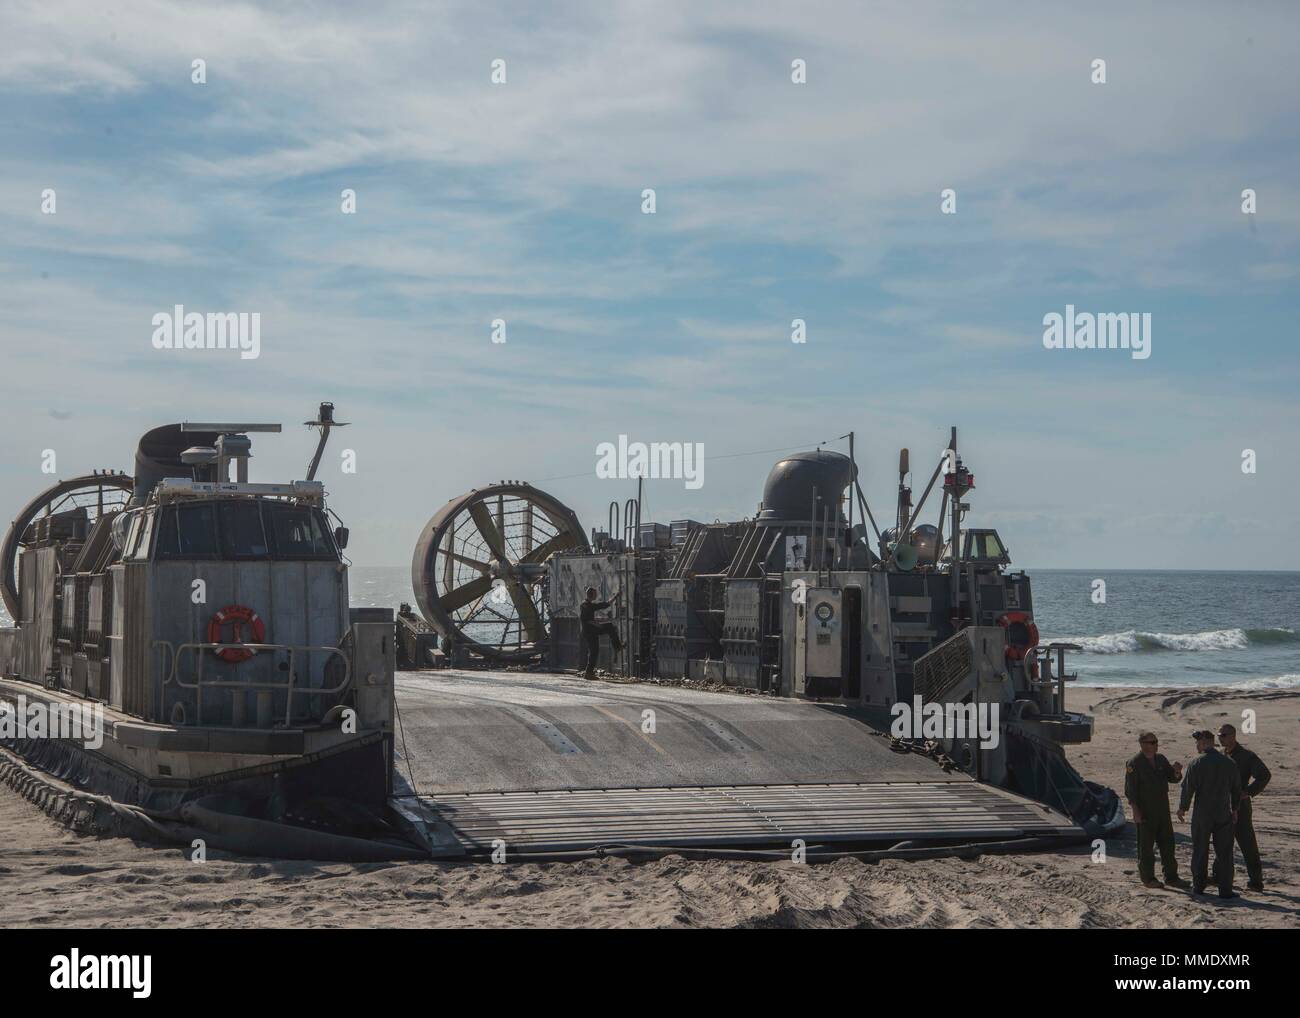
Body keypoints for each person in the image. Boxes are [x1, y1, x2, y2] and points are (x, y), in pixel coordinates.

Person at [1177, 729, 1242, 899]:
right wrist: (1235, 809)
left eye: (1198, 742)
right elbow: (1236, 789)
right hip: (1223, 813)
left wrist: (1183, 808)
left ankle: (1198, 887)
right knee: (1225, 852)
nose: (1196, 745)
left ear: (1205, 742)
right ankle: (1225, 889)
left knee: (1200, 850)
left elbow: (1188, 788)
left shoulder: (1196, 763)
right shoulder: (1229, 763)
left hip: (1202, 814)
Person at [1124, 732, 1187, 889]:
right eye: (1152, 742)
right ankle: (1148, 878)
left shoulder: (1161, 759)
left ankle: (1171, 877)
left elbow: (1172, 778)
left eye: (1156, 742)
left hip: (1162, 809)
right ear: (1142, 744)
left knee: (1168, 844)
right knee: (1146, 847)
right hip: (1145, 810)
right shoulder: (1134, 763)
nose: (1155, 745)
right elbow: (1131, 790)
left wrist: (1177, 771)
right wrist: (1135, 811)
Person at [1218, 723, 1270, 892]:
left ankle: (1256, 881)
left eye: (1224, 735)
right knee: (1222, 842)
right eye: (1219, 735)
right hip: (1222, 805)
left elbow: (1264, 775)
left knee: (1247, 844)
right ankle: (1218, 876)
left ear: (1233, 736)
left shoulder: (1247, 756)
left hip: (1240, 806)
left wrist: (1248, 792)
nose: (1220, 738)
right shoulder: (1220, 755)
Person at [580, 587, 622, 680]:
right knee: (609, 628)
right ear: (591, 595)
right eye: (595, 594)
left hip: (591, 631)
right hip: (589, 631)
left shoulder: (589, 605)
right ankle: (617, 647)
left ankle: (589, 672)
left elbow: (604, 605)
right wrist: (597, 624)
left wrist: (615, 597)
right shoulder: (585, 605)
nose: (596, 595)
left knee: (594, 651)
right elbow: (585, 619)